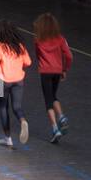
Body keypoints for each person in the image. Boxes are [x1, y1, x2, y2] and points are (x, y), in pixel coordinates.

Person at [0, 20, 31, 148]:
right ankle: (23, 120)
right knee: (17, 107)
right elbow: (28, 62)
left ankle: (8, 138)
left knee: (3, 107)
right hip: (18, 80)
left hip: (2, 80)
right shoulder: (19, 46)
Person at [34, 13, 72, 142]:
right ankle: (61, 116)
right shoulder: (61, 39)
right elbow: (69, 56)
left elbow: (38, 55)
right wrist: (64, 69)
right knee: (53, 96)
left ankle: (55, 128)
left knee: (48, 101)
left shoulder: (38, 40)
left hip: (45, 72)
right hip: (57, 71)